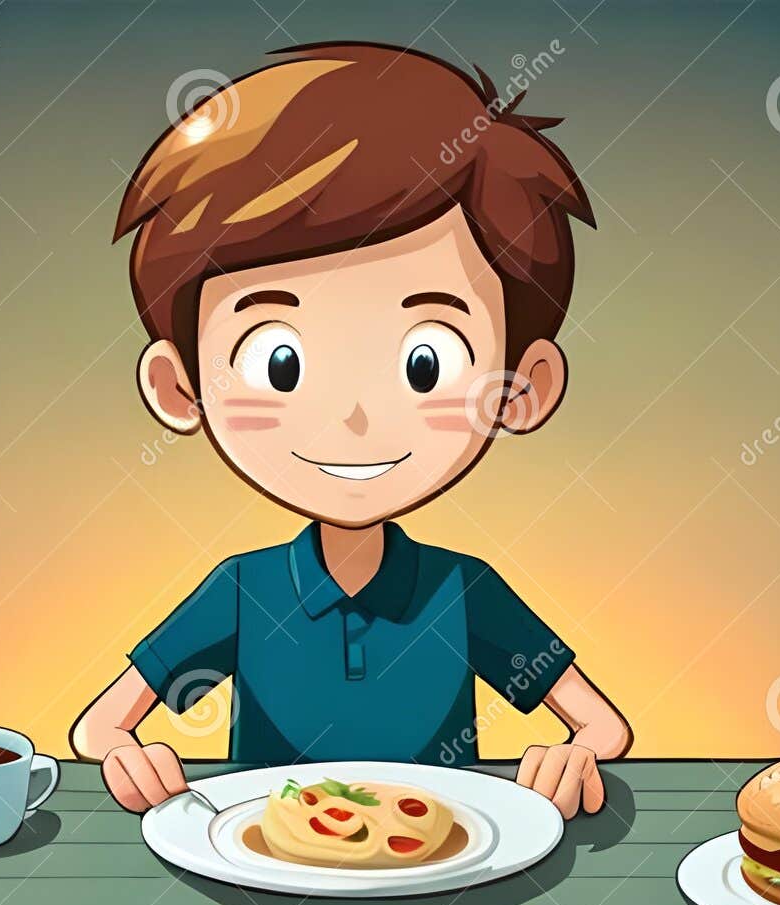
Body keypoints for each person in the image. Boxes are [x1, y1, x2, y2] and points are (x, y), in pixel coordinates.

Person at [71, 42, 632, 819]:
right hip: (260, 866)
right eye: (280, 362)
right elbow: (99, 725)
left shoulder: (461, 590)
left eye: (425, 362)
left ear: (520, 389)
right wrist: (131, 757)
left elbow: (603, 725)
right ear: (180, 387)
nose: (355, 417)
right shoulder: (244, 590)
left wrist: (569, 757)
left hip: (446, 867)